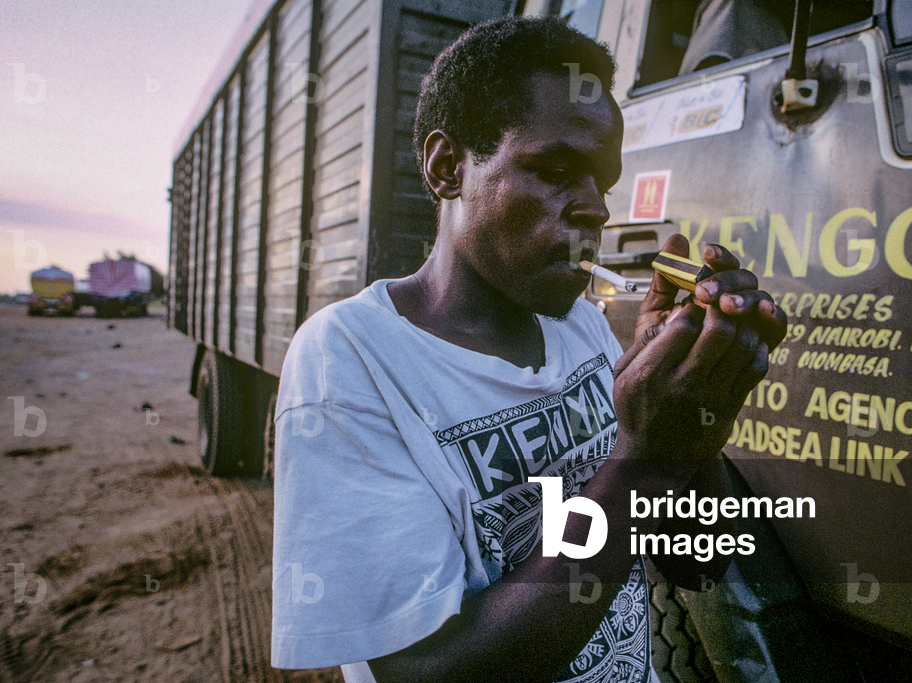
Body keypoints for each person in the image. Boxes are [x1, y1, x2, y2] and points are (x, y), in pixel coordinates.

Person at [271, 15, 786, 683]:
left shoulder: (578, 326)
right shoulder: (350, 359)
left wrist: (691, 412)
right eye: (554, 168)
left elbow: (701, 559)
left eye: (602, 180)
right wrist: (643, 457)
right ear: (447, 167)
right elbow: (424, 671)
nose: (596, 209)